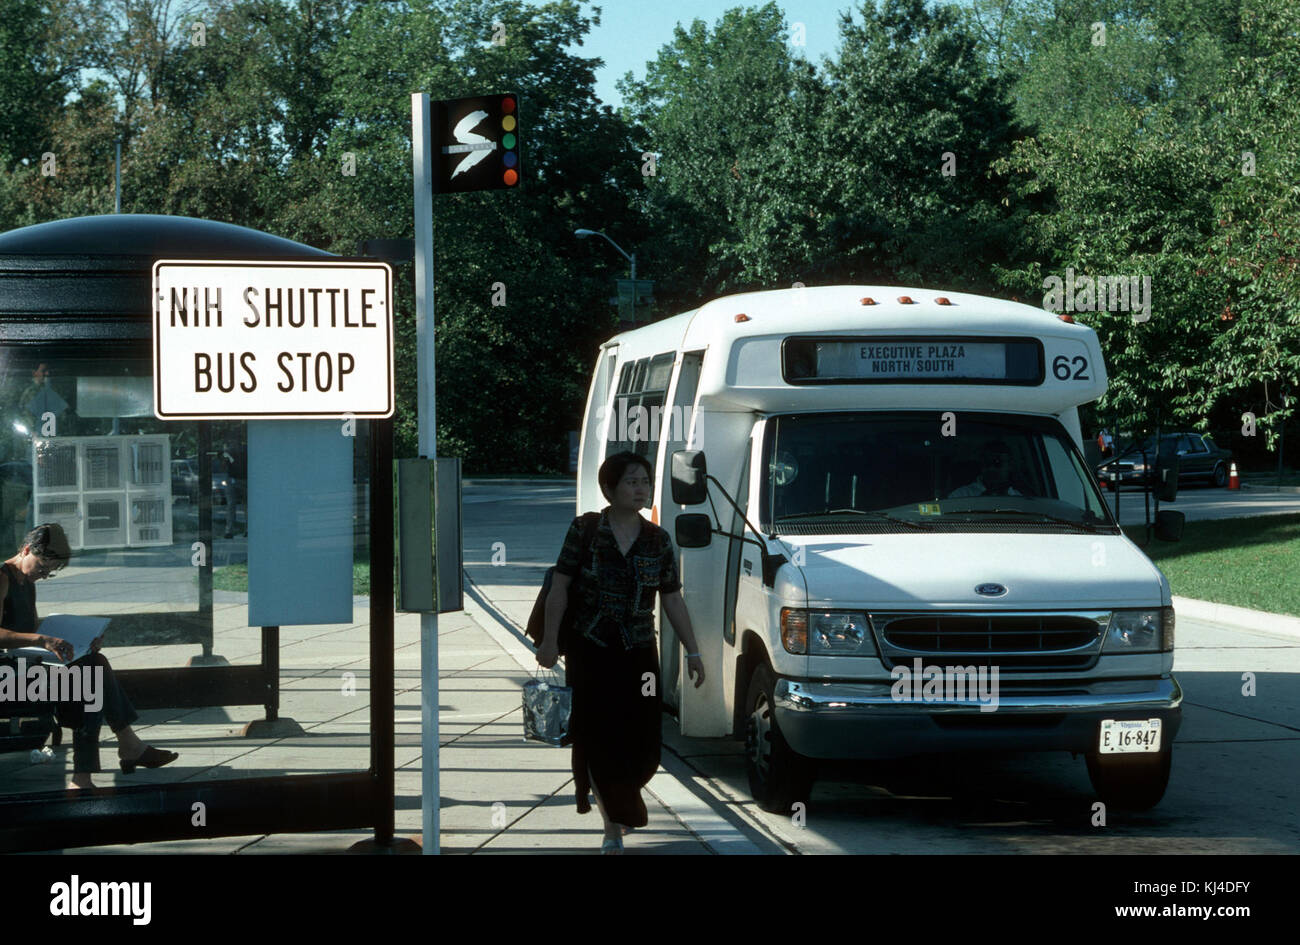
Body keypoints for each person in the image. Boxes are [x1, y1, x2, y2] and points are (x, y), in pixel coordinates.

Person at [537, 451, 705, 854]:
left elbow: (672, 600)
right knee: (596, 738)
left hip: (639, 656)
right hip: (590, 651)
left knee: (644, 742)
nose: (640, 488)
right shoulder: (586, 530)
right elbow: (560, 587)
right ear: (609, 488)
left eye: (645, 481)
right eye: (631, 481)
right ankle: (612, 826)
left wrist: (693, 651)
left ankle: (623, 796)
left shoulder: (658, 540)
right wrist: (548, 640)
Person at [0, 523, 177, 790]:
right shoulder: (3, 577)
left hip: (26, 667)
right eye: (41, 567)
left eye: (49, 572)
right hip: (7, 675)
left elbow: (32, 630)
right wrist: (42, 640)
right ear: (26, 550)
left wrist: (77, 640)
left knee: (92, 668)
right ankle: (122, 750)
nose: (43, 575)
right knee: (91, 675)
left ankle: (98, 768)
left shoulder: (27, 583)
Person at [948, 440, 1024, 498]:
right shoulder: (960, 496)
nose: (991, 468)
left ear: (1010, 465)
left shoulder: (1019, 498)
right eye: (986, 463)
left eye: (997, 463)